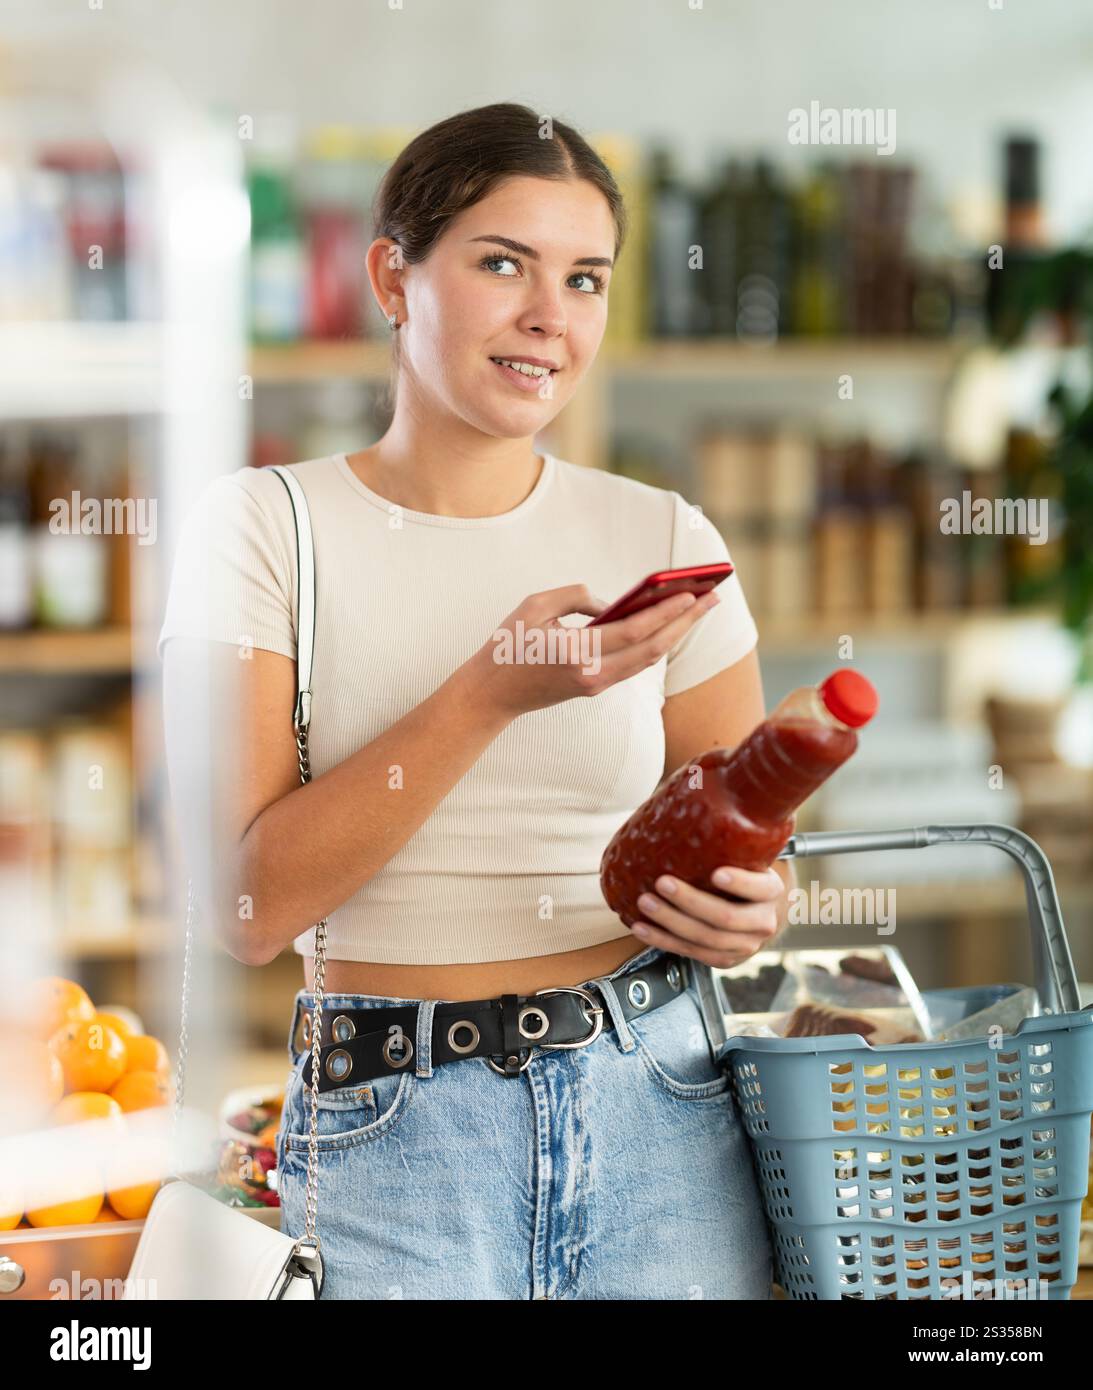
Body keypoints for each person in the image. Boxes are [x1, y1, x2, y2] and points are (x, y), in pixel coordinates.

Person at [158, 101, 793, 1300]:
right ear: (393, 277)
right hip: (395, 1134)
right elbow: (243, 910)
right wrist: (488, 695)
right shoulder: (264, 528)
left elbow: (738, 830)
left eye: (586, 278)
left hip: (659, 1095)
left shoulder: (662, 534)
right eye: (503, 264)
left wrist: (755, 903)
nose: (551, 317)